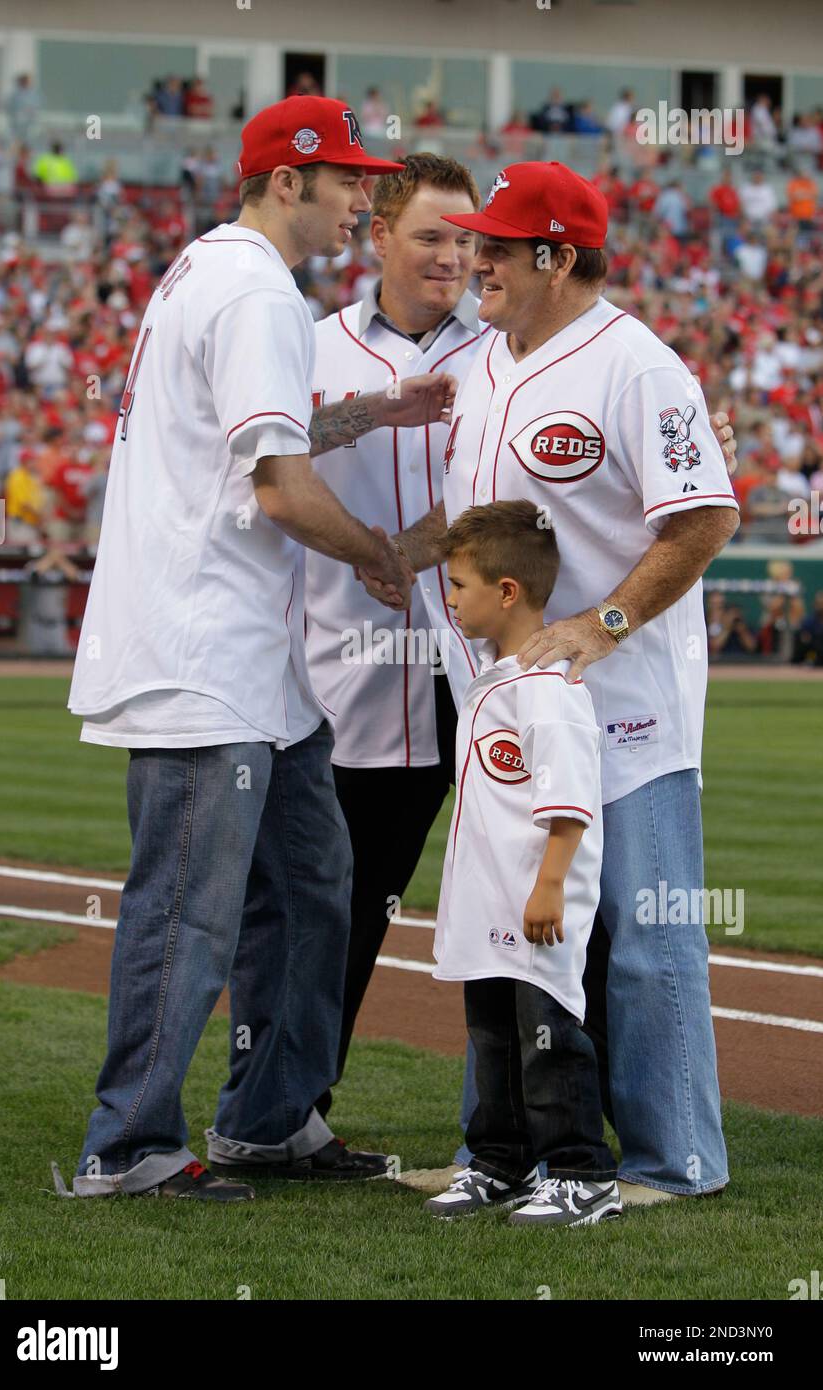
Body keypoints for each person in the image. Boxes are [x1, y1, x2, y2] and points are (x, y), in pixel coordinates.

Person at [59, 95, 453, 1203]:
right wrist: (382, 555)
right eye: (346, 186)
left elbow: (262, 435)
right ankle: (126, 1145)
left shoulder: (211, 272)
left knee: (318, 881)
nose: (359, 205)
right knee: (187, 903)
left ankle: (269, 1119)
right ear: (289, 181)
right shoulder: (253, 289)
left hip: (253, 665)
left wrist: (372, 412)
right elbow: (277, 488)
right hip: (203, 654)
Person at [361, 161, 739, 1205]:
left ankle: (676, 1162)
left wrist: (605, 621)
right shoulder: (483, 362)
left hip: (627, 705)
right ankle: (515, 1151)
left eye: (496, 245)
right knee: (508, 935)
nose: (473, 259)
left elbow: (705, 515)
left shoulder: (636, 365)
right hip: (503, 704)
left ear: (557, 257)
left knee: (644, 941)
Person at [305, 153, 485, 1121]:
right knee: (345, 902)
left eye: (465, 239)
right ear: (376, 234)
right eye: (429, 236)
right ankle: (295, 1106)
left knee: (517, 891)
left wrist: (407, 554)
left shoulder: (500, 349)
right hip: (353, 669)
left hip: (484, 667)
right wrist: (369, 414)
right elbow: (270, 447)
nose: (451, 256)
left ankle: (535, 1126)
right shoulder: (312, 344)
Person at [424, 501, 621, 1228]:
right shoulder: (495, 679)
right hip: (490, 906)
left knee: (551, 1042)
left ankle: (580, 1173)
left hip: (536, 907)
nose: (450, 597)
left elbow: (568, 806)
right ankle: (499, 1164)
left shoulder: (548, 690)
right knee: (495, 1043)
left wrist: (548, 889)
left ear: (507, 591)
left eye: (460, 584)